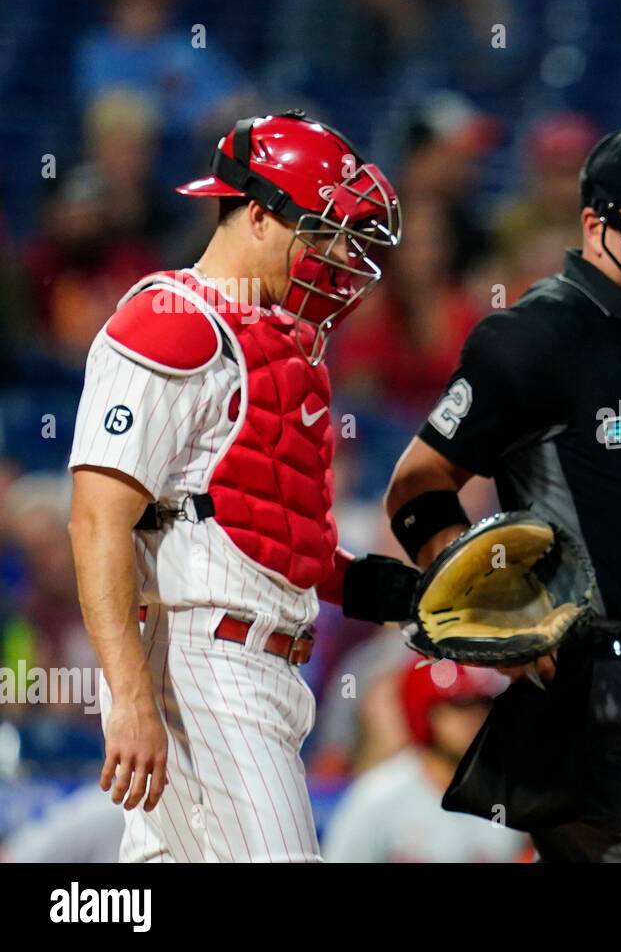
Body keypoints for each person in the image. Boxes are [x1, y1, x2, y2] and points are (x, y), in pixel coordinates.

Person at [384, 124, 621, 862]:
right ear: (595, 226)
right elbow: (417, 488)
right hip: (599, 689)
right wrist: (490, 598)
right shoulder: (537, 335)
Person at [67, 111, 419, 862]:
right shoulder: (171, 321)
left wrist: (386, 593)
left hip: (260, 667)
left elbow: (262, 533)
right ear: (257, 214)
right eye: (324, 233)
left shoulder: (283, 340)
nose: (340, 258)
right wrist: (129, 698)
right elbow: (97, 521)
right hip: (202, 667)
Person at [322, 658, 528, 862]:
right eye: (460, 705)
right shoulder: (378, 796)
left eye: (482, 704)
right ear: (425, 712)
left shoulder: (508, 796)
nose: (474, 717)